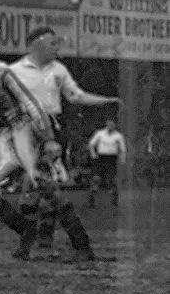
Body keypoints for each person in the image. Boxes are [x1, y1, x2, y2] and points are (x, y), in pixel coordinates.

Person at [0, 24, 93, 262]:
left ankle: (81, 244)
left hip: (24, 129)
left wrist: (48, 139)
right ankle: (27, 231)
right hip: (2, 137)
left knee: (44, 186)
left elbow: (29, 102)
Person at [8, 25, 120, 249]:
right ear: (36, 44)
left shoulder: (58, 69)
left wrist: (104, 100)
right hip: (27, 130)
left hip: (53, 129)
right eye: (52, 43)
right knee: (39, 186)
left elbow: (75, 95)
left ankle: (43, 240)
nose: (57, 47)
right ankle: (66, 240)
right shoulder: (14, 71)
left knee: (40, 185)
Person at [87, 117, 126, 207]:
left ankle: (115, 200)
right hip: (101, 158)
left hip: (112, 159)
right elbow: (91, 144)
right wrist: (93, 154)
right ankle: (91, 200)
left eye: (112, 124)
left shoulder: (118, 136)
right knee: (96, 178)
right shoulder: (100, 134)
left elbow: (123, 149)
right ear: (106, 124)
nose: (111, 126)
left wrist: (122, 159)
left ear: (115, 125)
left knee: (112, 179)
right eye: (109, 124)